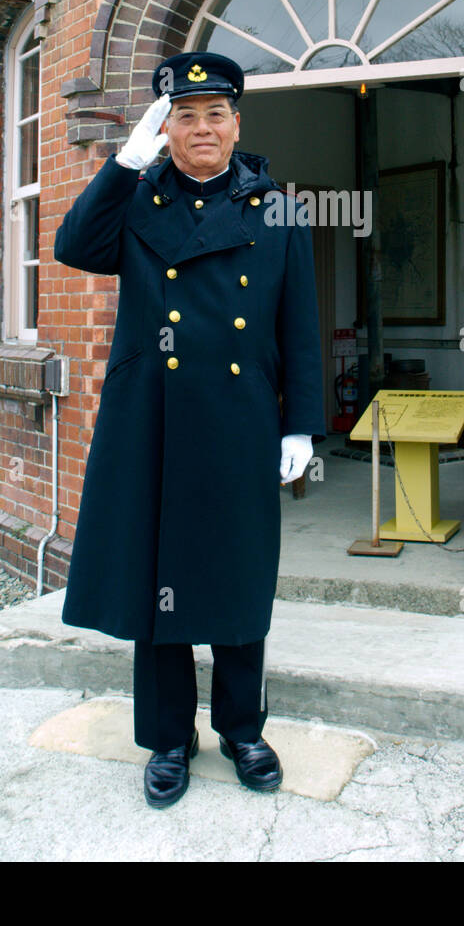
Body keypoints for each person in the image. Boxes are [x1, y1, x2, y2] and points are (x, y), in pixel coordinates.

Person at [53, 50, 325, 808]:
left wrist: (299, 426)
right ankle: (169, 736)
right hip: (156, 424)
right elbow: (73, 246)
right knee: (161, 585)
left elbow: (299, 325)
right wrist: (123, 162)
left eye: (214, 114)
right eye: (184, 115)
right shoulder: (139, 202)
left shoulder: (277, 209)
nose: (201, 128)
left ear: (236, 124)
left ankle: (243, 729)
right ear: (164, 126)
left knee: (239, 581)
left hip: (240, 420)